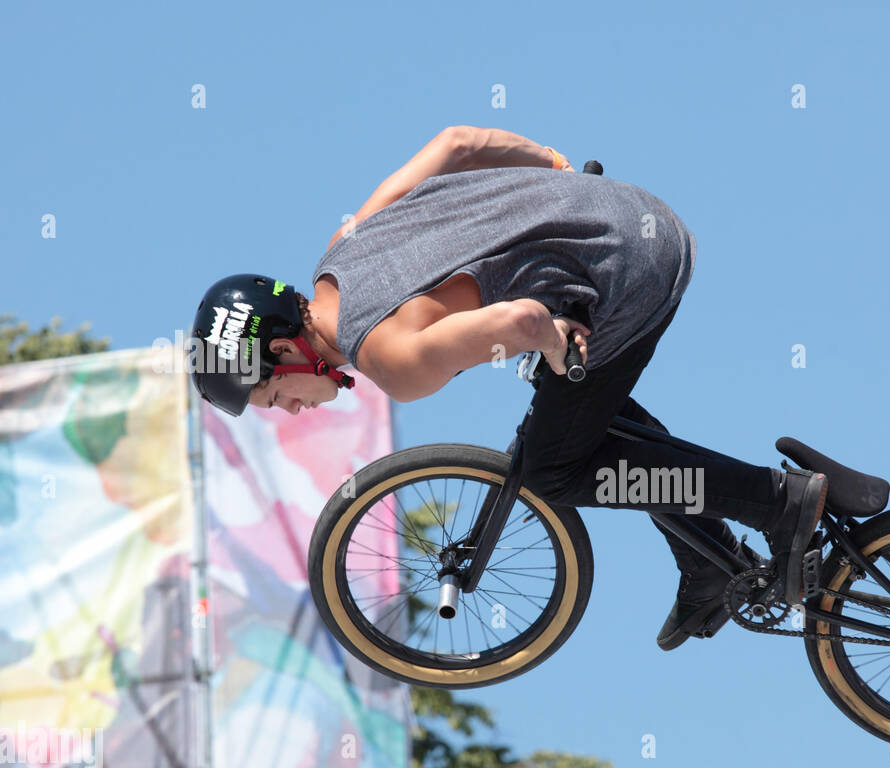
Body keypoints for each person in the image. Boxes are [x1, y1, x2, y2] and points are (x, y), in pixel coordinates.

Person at [189, 125, 826, 651]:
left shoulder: (392, 360)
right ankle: (708, 557)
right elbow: (458, 144)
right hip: (618, 210)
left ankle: (777, 503)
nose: (293, 410)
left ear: (282, 350)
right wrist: (555, 164)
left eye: (275, 397)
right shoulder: (342, 249)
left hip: (628, 267)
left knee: (554, 472)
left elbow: (518, 322)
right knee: (578, 416)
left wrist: (552, 336)